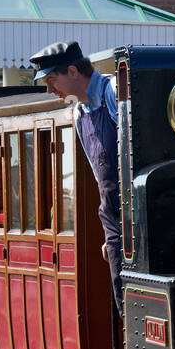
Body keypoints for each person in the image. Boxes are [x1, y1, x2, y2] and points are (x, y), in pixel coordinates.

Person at [28, 40, 122, 311]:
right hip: (113, 214)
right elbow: (99, 175)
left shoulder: (113, 92)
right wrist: (111, 235)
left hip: (136, 210)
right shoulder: (78, 112)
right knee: (122, 300)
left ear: (72, 71)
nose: (49, 90)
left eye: (50, 80)